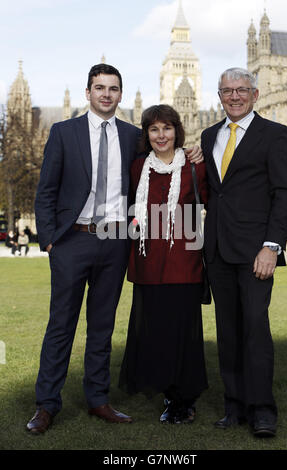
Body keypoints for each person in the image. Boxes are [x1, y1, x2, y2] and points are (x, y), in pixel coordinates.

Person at [26, 63, 202, 434]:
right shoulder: (63, 131)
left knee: (102, 326)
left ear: (121, 95)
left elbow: (163, 157)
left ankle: (97, 399)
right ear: (88, 92)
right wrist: (50, 239)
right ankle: (46, 404)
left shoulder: (130, 135)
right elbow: (46, 191)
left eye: (113, 88)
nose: (106, 94)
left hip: (115, 241)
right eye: (99, 87)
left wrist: (195, 153)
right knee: (61, 324)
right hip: (73, 239)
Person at [201, 67, 287, 437]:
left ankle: (262, 410)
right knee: (228, 332)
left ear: (255, 94)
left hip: (257, 251)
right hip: (219, 251)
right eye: (227, 91)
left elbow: (284, 194)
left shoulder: (275, 134)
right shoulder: (210, 136)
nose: (235, 96)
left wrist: (272, 246)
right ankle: (234, 406)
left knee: (255, 330)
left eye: (242, 90)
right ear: (220, 96)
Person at [119, 104, 208, 424]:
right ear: (147, 134)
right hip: (148, 263)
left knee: (183, 332)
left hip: (185, 264)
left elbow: (213, 202)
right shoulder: (138, 167)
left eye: (167, 128)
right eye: (154, 129)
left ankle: (185, 398)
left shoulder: (196, 166)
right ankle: (167, 392)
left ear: (177, 131)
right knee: (155, 331)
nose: (161, 135)